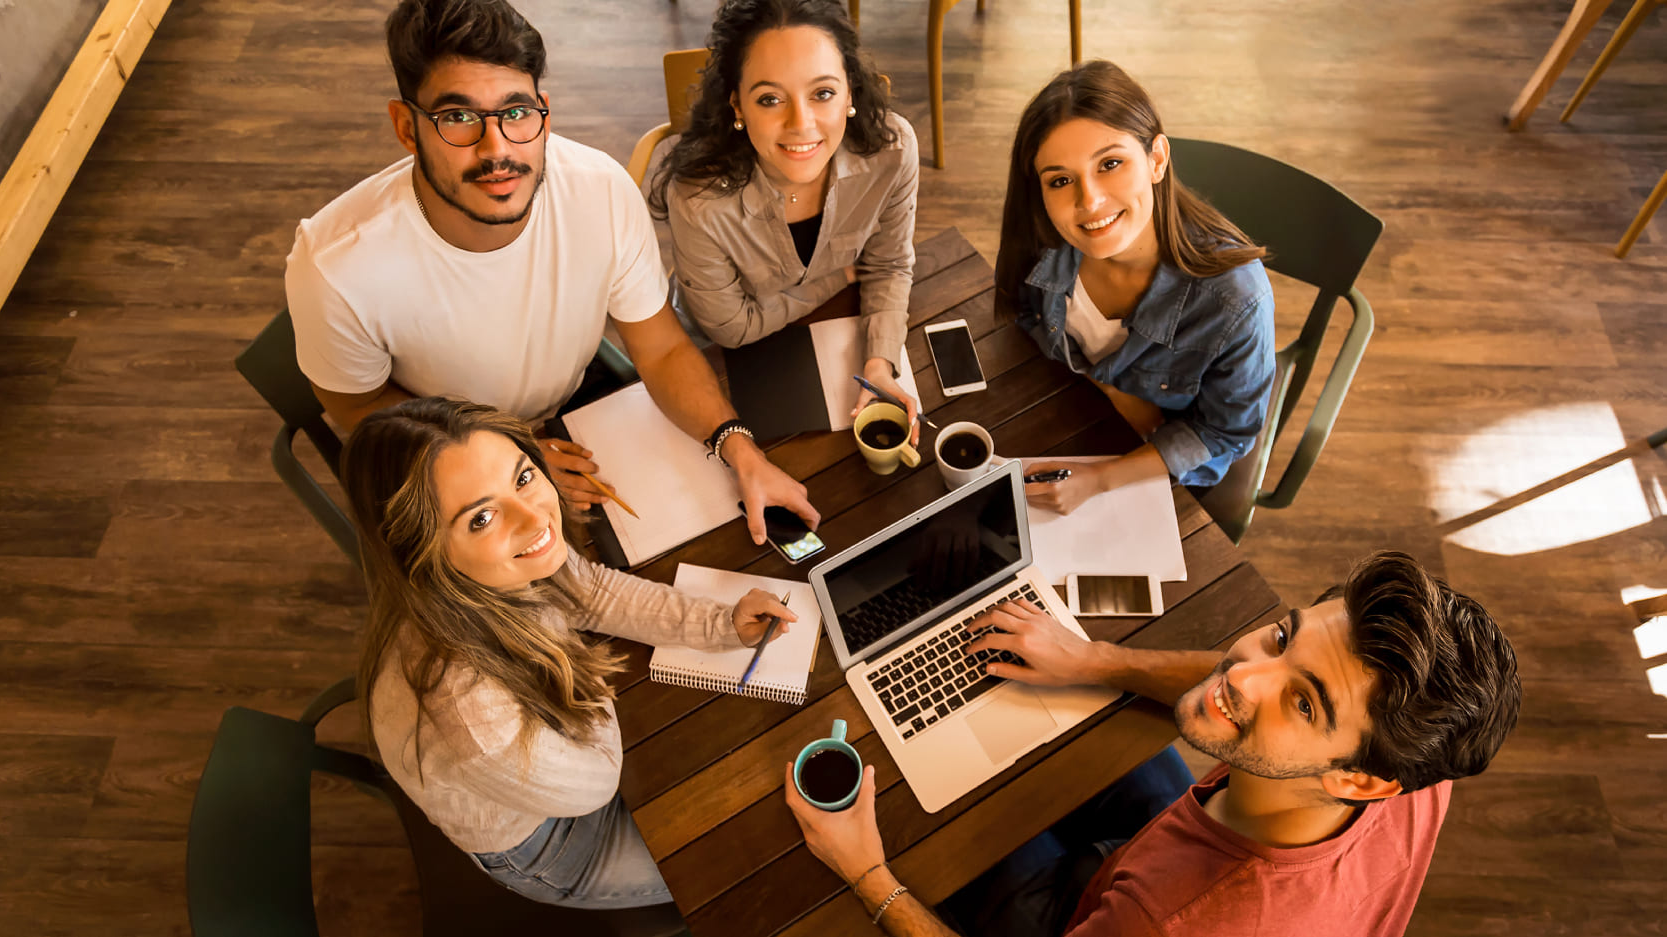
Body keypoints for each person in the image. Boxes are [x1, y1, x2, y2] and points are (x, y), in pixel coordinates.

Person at [284, 0, 817, 545]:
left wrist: (739, 448)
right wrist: (506, 458)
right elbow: (355, 405)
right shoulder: (335, 268)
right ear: (406, 127)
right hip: (448, 452)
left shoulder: (601, 190)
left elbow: (661, 350)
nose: (497, 151)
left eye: (515, 113)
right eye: (458, 118)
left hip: (568, 413)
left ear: (543, 110)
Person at [784, 551, 1521, 936]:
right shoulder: (1415, 756)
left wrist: (869, 875)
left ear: (1361, 782)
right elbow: (1246, 675)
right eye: (1282, 635)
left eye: (1303, 701)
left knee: (963, 823)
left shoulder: (1170, 922)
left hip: (1105, 914)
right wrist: (1091, 659)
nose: (1242, 669)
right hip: (1182, 846)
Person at [340, 396, 796, 908]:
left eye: (522, 477)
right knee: (751, 858)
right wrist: (578, 666)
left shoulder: (483, 571)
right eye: (481, 518)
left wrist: (720, 623)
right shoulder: (474, 725)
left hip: (562, 749)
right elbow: (598, 779)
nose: (535, 521)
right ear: (420, 551)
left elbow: (591, 593)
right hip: (548, 839)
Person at [995, 61, 1276, 513]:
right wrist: (1111, 390)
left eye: (1110, 164)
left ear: (1157, 160)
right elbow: (1026, 316)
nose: (1089, 201)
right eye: (1061, 180)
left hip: (1155, 466)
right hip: (1071, 415)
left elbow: (1224, 434)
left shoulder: (1236, 302)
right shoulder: (1043, 241)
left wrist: (1101, 480)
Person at [648, 0, 922, 440]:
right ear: (737, 106)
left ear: (850, 92)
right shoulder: (698, 201)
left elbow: (888, 266)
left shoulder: (893, 152)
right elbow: (732, 329)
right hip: (718, 357)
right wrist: (843, 275)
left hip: (836, 328)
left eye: (823, 93)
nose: (802, 124)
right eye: (770, 99)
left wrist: (879, 364)